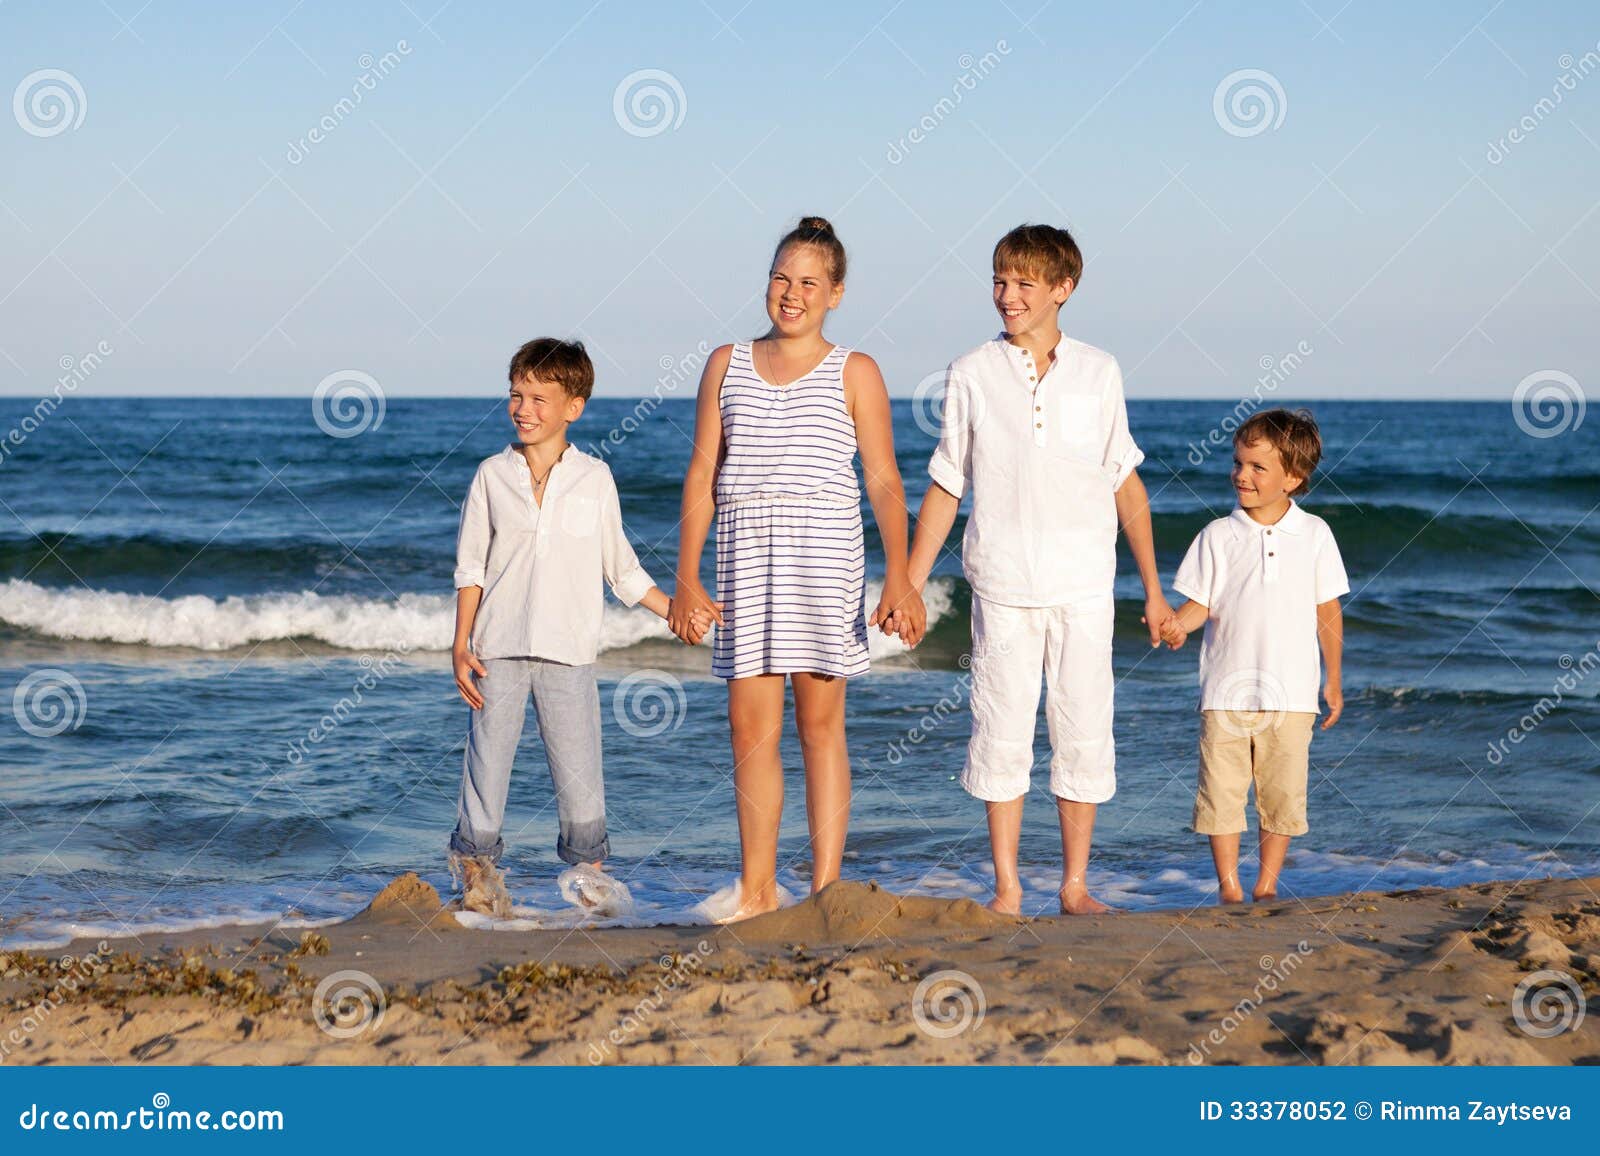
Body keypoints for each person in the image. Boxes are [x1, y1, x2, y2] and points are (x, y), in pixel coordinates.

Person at [906, 223, 1173, 916]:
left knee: (1084, 729)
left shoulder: (1099, 371)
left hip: (1085, 585)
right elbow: (946, 484)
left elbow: (1125, 482)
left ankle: (1076, 886)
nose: (1008, 295)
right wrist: (908, 578)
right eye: (1000, 280)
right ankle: (1007, 887)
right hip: (1002, 582)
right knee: (999, 730)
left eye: (1025, 282)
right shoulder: (970, 372)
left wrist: (1151, 587)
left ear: (1063, 288)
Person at [669, 216, 926, 922]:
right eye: (781, 277)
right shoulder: (726, 363)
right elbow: (700, 474)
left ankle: (824, 888)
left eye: (809, 282)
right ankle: (756, 890)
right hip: (746, 556)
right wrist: (686, 577)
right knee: (749, 730)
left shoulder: (857, 372)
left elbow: (883, 482)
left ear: (835, 294)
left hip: (824, 559)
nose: (792, 293)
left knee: (820, 725)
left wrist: (900, 576)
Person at [449, 338, 706, 916]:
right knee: (485, 769)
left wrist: (675, 610)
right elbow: (470, 567)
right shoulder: (491, 476)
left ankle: (590, 891)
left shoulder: (595, 478)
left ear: (574, 406)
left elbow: (622, 570)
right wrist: (462, 644)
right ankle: (476, 889)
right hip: (498, 649)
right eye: (516, 395)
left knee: (580, 775)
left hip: (569, 651)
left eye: (540, 397)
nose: (524, 408)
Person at [1159, 408, 1348, 903]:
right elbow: (1202, 603)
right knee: (1221, 793)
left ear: (1294, 478)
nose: (1242, 475)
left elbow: (1327, 610)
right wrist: (1178, 624)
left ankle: (1266, 884)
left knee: (1282, 794)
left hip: (1293, 692)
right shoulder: (1218, 535)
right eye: (1239, 463)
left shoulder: (1315, 535)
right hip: (1224, 690)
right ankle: (1229, 887)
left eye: (1257, 467)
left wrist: (1333, 680)